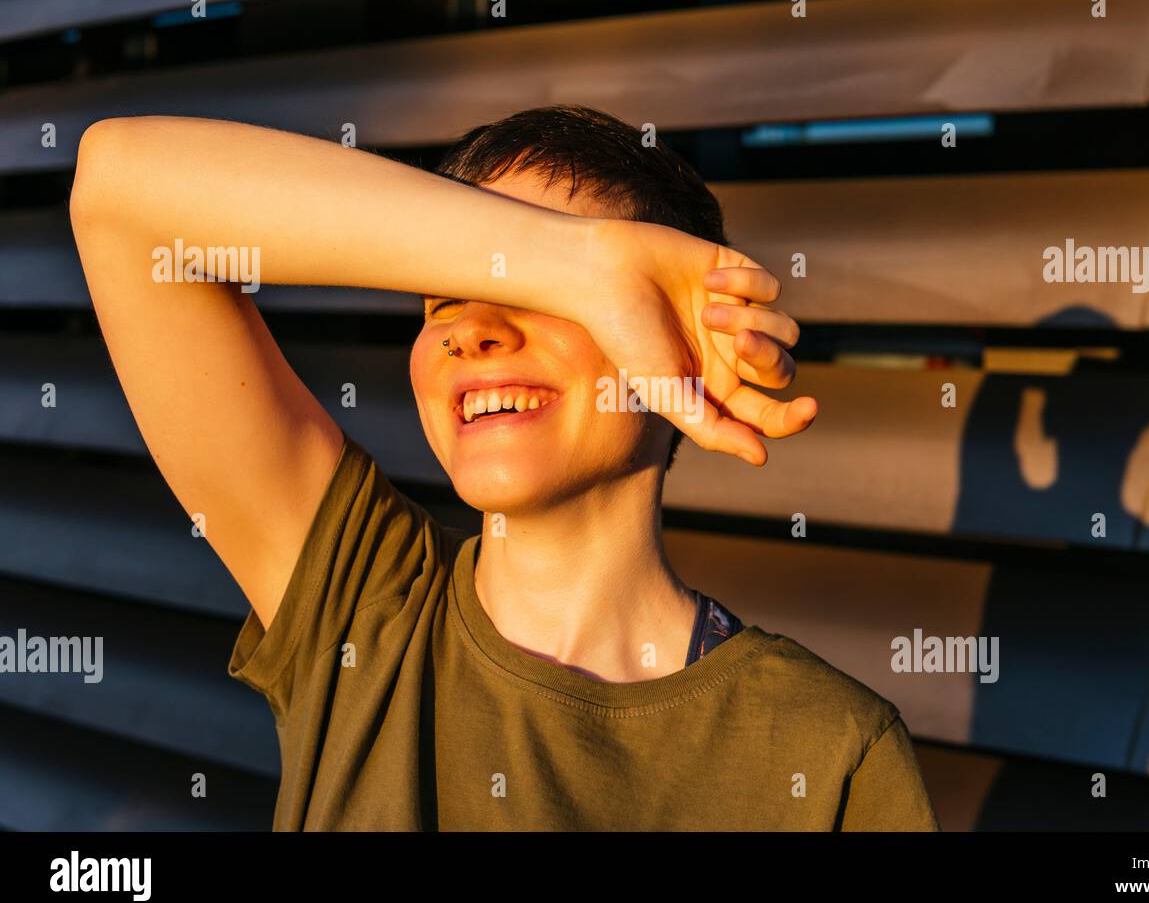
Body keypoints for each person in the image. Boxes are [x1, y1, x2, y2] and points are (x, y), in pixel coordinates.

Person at [68, 105, 939, 830]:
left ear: (676, 343)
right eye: (443, 297)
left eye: (539, 296)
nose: (470, 331)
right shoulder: (362, 605)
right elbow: (119, 189)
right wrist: (575, 262)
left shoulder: (828, 752)